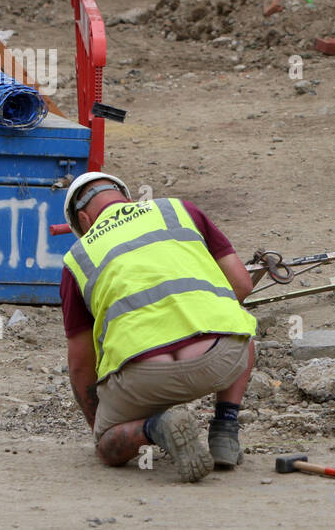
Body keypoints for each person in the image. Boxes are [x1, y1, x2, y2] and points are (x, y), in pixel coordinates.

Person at [59, 172, 258, 482]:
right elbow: (241, 285)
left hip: (144, 379)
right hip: (221, 359)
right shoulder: (180, 211)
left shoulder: (78, 258)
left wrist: (101, 425)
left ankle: (156, 427)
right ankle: (224, 430)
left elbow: (80, 364)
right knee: (236, 320)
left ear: (84, 220)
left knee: (108, 445)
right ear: (125, 197)